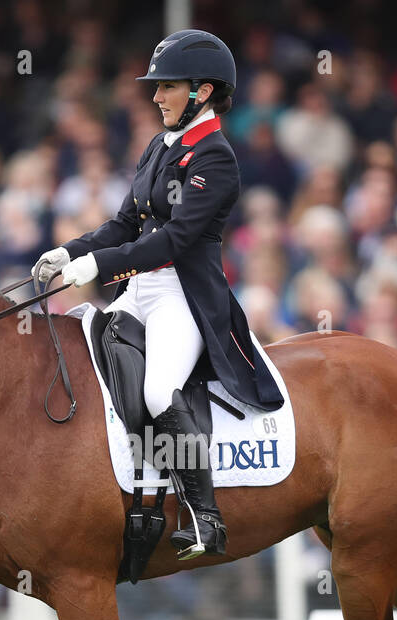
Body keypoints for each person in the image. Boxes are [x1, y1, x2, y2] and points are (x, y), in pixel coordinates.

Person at [33, 29, 284, 559]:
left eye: (167, 86)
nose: (155, 96)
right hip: (138, 286)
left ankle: (205, 517)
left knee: (158, 392)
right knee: (83, 358)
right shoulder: (159, 145)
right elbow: (127, 222)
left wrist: (95, 266)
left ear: (204, 91)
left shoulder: (214, 158)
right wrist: (69, 251)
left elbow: (173, 241)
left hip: (181, 295)